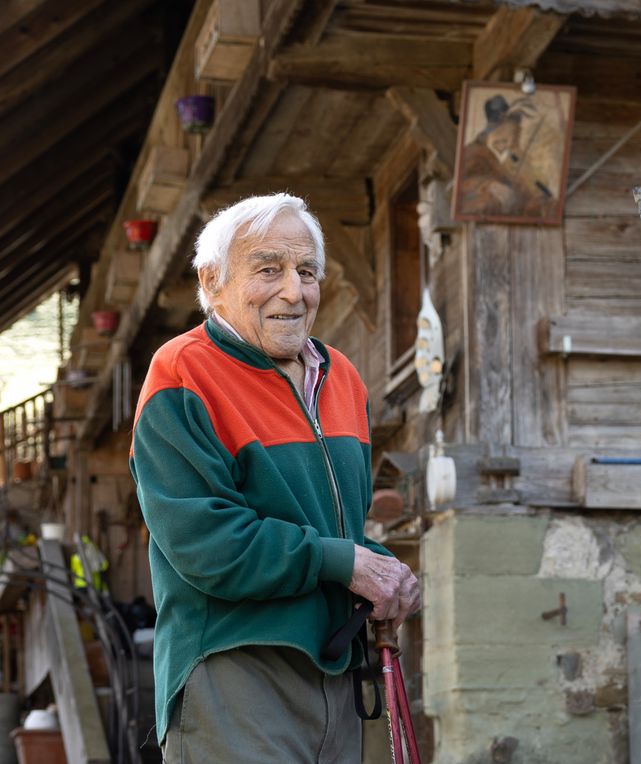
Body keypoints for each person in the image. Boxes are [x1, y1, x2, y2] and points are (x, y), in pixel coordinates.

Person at [130, 193, 421, 762]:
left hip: (333, 671)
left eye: (306, 271)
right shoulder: (181, 374)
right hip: (235, 673)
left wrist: (383, 570)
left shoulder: (344, 380)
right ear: (212, 280)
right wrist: (348, 563)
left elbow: (336, 527)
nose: (294, 290)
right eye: (269, 269)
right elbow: (210, 546)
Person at [456, 94, 553, 219]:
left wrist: (540, 202)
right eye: (510, 130)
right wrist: (489, 184)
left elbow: (523, 191)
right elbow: (460, 184)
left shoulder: (513, 157)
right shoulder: (473, 152)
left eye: (515, 132)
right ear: (494, 131)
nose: (513, 137)